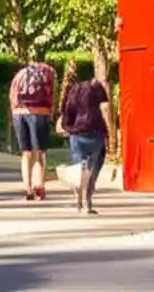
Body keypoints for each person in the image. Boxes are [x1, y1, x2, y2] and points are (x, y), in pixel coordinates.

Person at [61, 74, 112, 214]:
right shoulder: (97, 87)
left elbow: (67, 110)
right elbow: (105, 109)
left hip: (77, 132)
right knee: (92, 166)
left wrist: (67, 126)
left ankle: (78, 201)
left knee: (79, 167)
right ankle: (87, 200)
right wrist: (109, 133)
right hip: (96, 131)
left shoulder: (72, 89)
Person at [9, 60, 56, 201]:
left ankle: (28, 188)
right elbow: (51, 95)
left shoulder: (20, 74)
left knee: (26, 153)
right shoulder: (47, 73)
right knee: (39, 153)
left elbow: (12, 95)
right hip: (40, 112)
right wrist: (51, 114)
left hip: (19, 113)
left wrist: (14, 113)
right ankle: (39, 186)